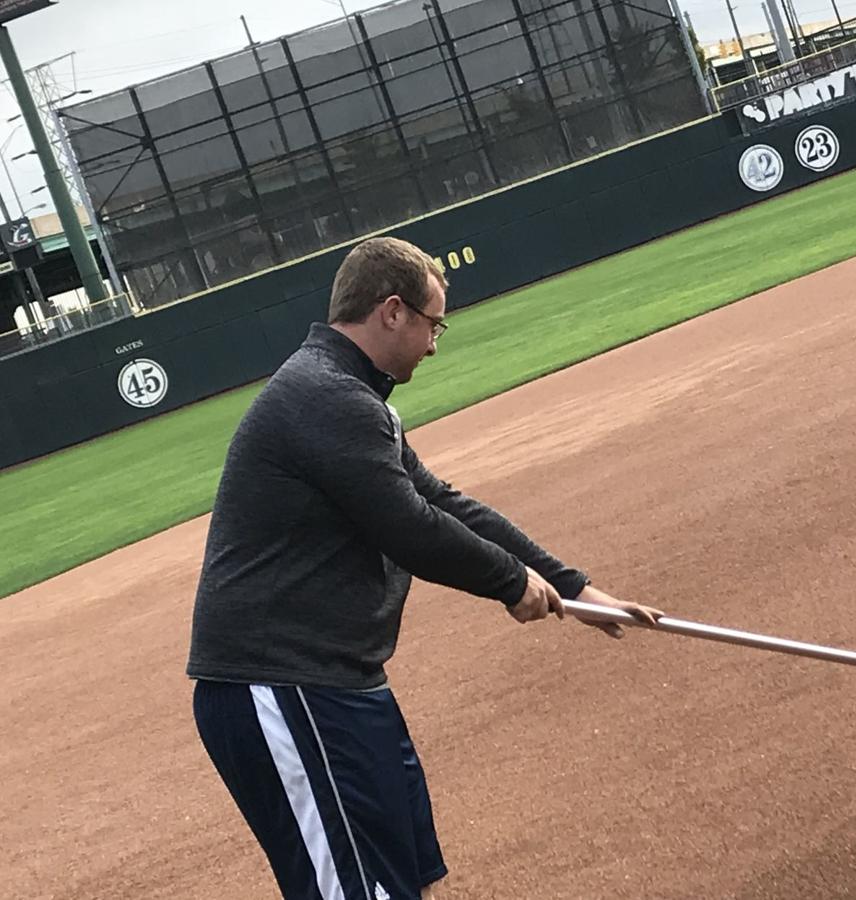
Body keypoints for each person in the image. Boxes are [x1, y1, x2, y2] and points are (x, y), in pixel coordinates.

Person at [187, 236, 663, 900]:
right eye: (433, 324)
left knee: (407, 875)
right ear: (391, 312)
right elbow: (409, 528)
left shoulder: (349, 395)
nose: (436, 344)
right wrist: (510, 584)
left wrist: (572, 588)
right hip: (283, 686)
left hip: (338, 684)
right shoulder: (325, 398)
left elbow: (440, 502)